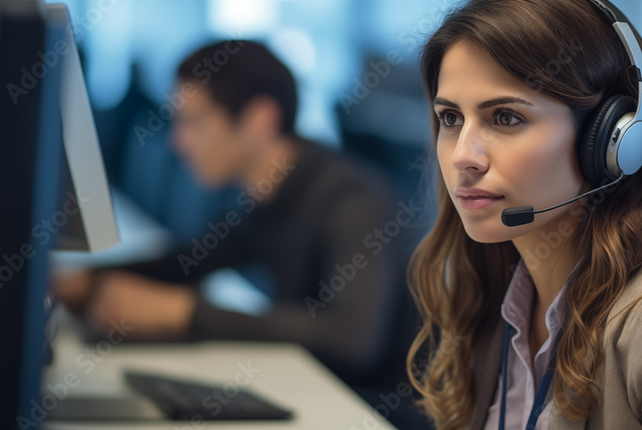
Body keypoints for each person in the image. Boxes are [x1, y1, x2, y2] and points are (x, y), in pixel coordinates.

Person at [246, 0, 642, 430]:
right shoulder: (493, 292)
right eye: (451, 118)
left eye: (505, 118)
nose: (464, 158)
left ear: (613, 142)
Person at [52, 40, 406, 383]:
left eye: (195, 122)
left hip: (381, 421)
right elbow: (192, 260)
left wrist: (185, 312)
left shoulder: (352, 200)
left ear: (259, 120)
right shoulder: (267, 196)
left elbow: (351, 340)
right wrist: (82, 279)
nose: (178, 141)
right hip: (319, 393)